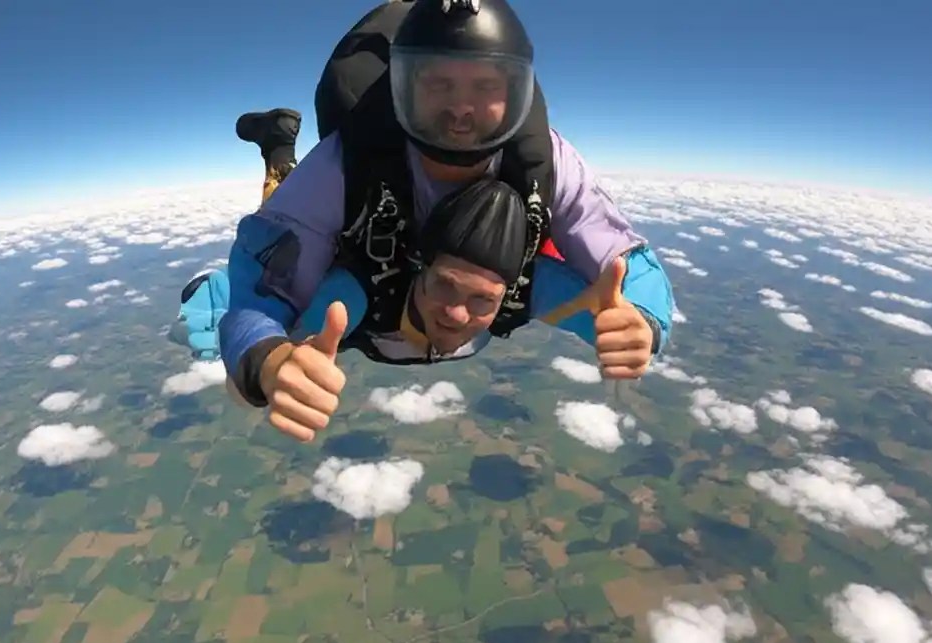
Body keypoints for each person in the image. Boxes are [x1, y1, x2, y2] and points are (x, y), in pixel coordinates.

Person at [187, 0, 678, 442]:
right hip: (361, 275)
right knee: (234, 362)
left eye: (485, 86)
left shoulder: (546, 165)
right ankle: (277, 148)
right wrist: (268, 361)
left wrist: (641, 323)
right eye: (438, 83)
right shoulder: (347, 164)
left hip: (394, 295)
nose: (461, 108)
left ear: (515, 95)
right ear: (405, 89)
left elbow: (624, 263)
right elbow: (263, 280)